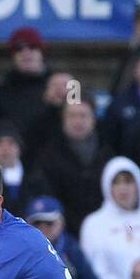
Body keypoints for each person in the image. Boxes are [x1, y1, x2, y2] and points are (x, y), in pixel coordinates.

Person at [30, 91, 113, 234]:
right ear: (63, 119)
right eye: (72, 115)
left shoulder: (108, 154)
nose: (78, 121)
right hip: (65, 233)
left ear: (93, 119)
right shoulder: (47, 156)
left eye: (83, 115)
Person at [24, 195, 102, 279]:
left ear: (61, 223)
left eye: (49, 223)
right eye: (37, 223)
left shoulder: (71, 248)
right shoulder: (20, 250)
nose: (43, 228)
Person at [0, 27, 48, 139]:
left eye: (32, 47)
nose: (26, 52)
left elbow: (81, 109)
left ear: (41, 52)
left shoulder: (64, 85)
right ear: (13, 56)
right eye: (19, 49)